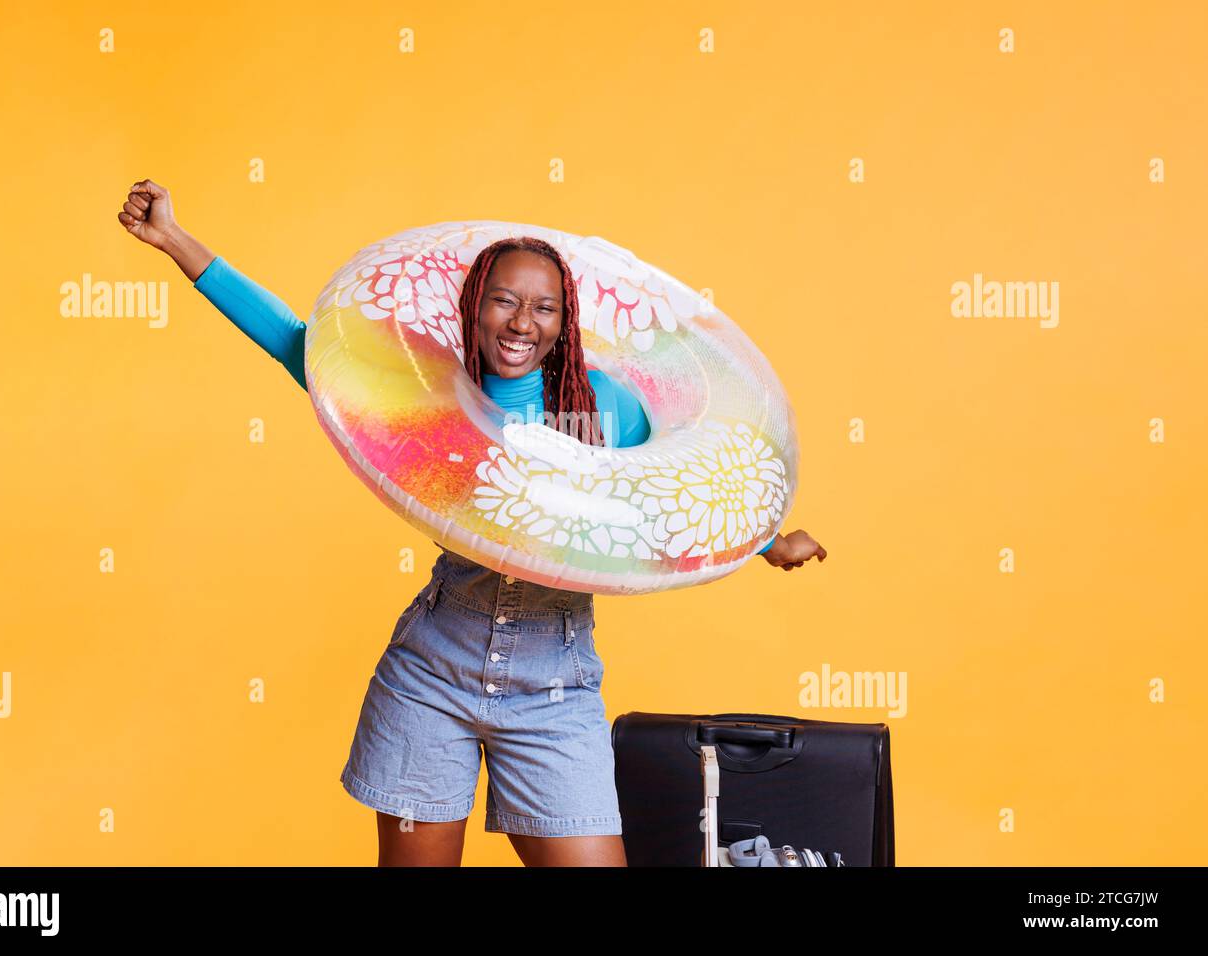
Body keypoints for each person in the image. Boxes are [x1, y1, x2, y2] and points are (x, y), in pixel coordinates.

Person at [117, 179, 828, 866]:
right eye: (505, 302)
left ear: (564, 318)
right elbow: (296, 342)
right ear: (475, 306)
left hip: (555, 690)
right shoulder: (429, 394)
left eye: (544, 307)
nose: (523, 323)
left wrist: (767, 542)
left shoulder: (604, 406)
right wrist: (177, 239)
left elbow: (673, 487)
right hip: (431, 675)